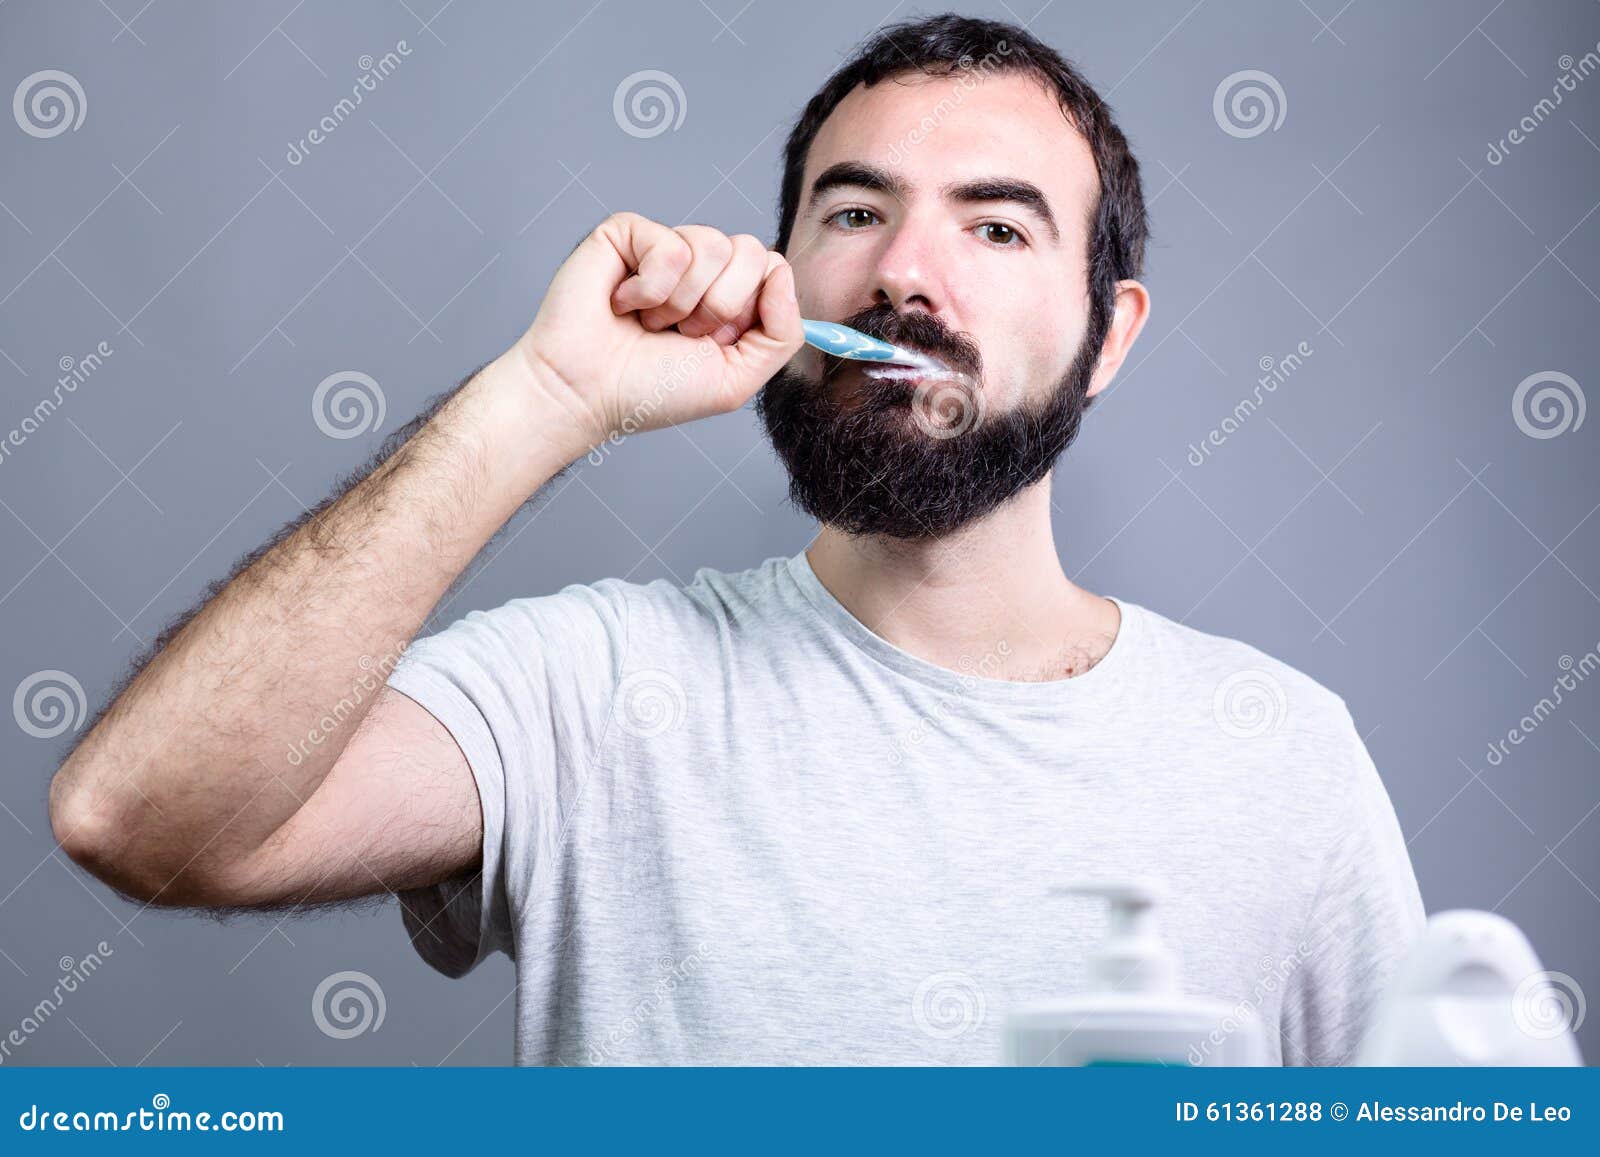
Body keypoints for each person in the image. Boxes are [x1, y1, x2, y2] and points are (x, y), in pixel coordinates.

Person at [48, 13, 1424, 1065]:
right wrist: (547, 396)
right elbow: (139, 820)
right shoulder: (588, 693)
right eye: (855, 212)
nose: (902, 274)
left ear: (1108, 336)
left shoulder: (1279, 753)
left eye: (997, 228)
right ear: (786, 273)